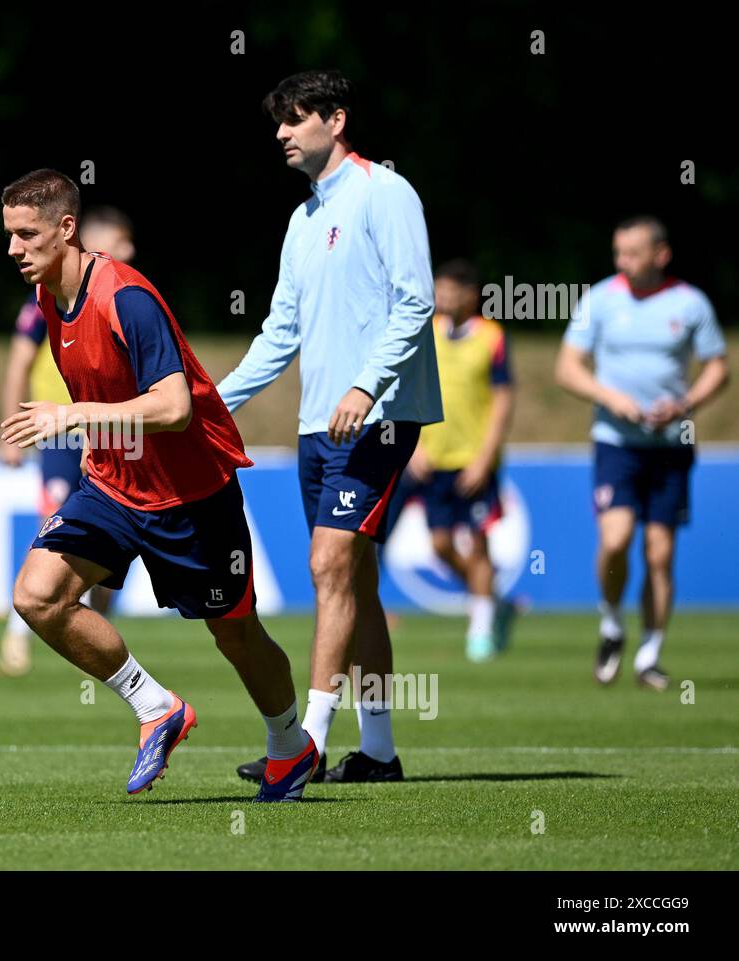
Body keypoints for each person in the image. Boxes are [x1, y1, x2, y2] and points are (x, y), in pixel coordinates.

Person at [0, 168, 318, 800]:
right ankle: (157, 708)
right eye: (9, 235)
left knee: (235, 631)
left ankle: (290, 744)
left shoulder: (127, 296)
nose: (14, 249)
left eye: (27, 234)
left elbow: (173, 407)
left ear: (66, 229)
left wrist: (73, 417)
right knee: (37, 598)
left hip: (191, 495)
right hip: (113, 486)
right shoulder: (45, 296)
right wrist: (91, 435)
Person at [217, 70, 442, 785]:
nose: (282, 133)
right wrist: (212, 406)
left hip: (376, 418)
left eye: (296, 118)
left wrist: (364, 384)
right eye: (277, 122)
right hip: (319, 426)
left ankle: (302, 746)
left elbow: (417, 302)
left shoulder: (386, 193)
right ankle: (378, 752)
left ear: (335, 120)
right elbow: (279, 333)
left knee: (327, 565)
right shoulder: (303, 219)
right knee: (357, 579)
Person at [555, 216, 728, 690]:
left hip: (671, 446)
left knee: (660, 553)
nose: (623, 262)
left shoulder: (690, 303)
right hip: (616, 443)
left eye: (632, 252)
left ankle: (649, 654)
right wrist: (613, 400)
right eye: (618, 252)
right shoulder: (601, 299)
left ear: (660, 255)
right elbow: (567, 368)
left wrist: (686, 403)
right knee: (615, 540)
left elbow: (718, 367)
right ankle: (612, 623)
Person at [0, 208, 136, 676]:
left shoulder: (119, 296)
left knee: (109, 552)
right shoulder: (44, 300)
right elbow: (18, 363)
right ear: (94, 241)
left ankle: (96, 643)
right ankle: (20, 632)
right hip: (57, 433)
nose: (130, 251)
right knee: (54, 529)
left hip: (108, 431)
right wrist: (12, 429)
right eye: (122, 242)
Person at [405, 259, 517, 661]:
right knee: (439, 545)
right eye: (440, 290)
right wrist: (414, 447)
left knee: (480, 542)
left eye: (452, 291)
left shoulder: (491, 337)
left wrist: (484, 459)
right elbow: (407, 392)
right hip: (433, 459)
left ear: (471, 295)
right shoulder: (424, 334)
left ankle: (481, 631)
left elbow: (503, 401)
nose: (444, 298)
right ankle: (495, 602)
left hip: (474, 461)